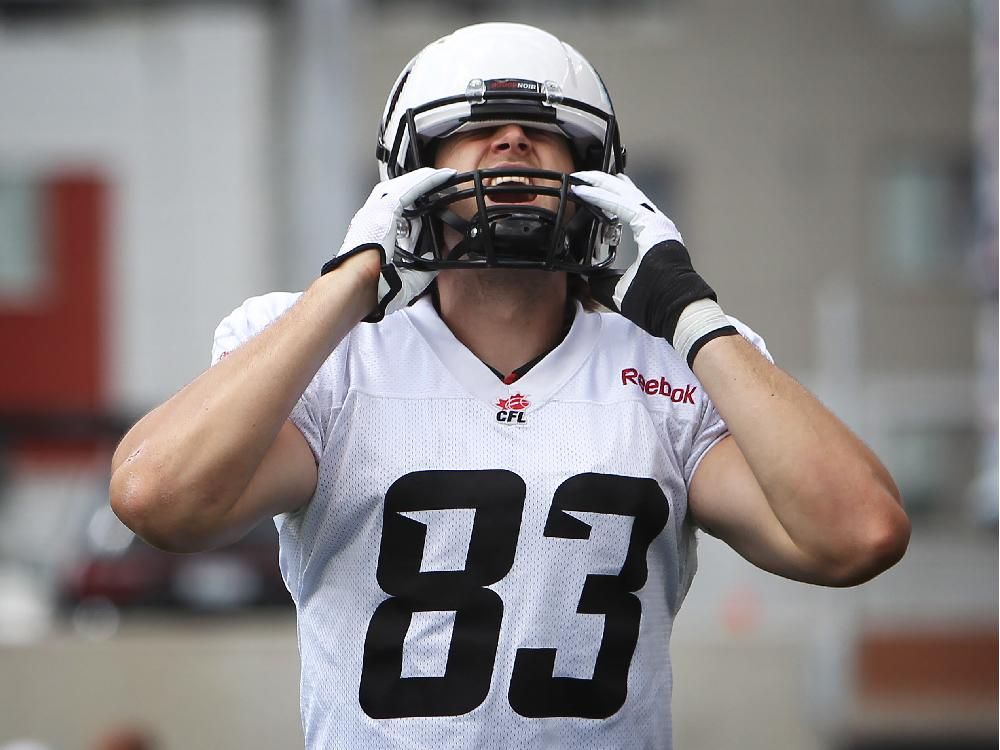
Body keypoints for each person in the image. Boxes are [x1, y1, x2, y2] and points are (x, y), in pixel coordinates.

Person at [109, 22, 909, 749]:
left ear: (593, 177)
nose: (515, 141)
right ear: (411, 175)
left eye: (546, 132)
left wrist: (691, 312)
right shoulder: (336, 357)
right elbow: (157, 498)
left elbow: (860, 534)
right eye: (476, 128)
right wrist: (346, 285)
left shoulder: (674, 365)